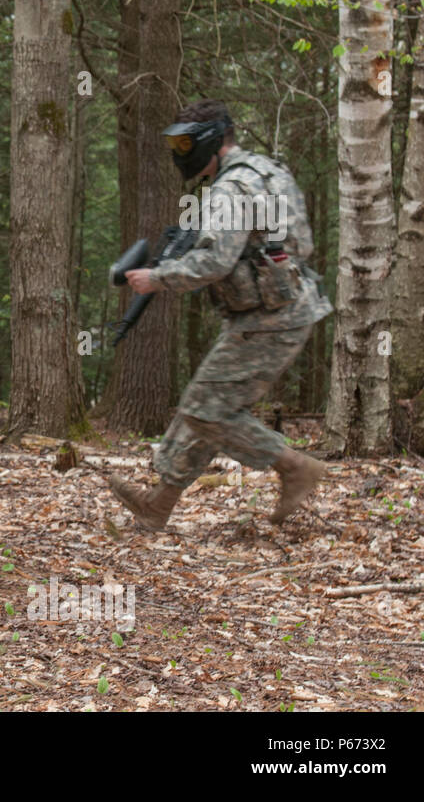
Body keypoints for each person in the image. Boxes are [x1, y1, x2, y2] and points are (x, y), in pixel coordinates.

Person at [109, 99, 332, 530]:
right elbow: (300, 243)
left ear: (210, 140)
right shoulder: (267, 171)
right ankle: (158, 505)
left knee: (205, 411)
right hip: (281, 307)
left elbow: (214, 265)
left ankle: (293, 466)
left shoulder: (231, 189)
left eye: (184, 141)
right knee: (203, 404)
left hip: (270, 317)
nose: (179, 151)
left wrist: (157, 278)